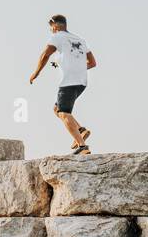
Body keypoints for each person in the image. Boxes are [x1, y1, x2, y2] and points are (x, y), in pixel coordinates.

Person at [29, 14, 97, 153]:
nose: (51, 31)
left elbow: (45, 55)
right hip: (82, 82)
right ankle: (80, 130)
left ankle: (82, 146)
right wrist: (76, 68)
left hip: (69, 82)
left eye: (51, 28)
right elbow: (92, 63)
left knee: (63, 112)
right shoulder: (80, 40)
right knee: (57, 109)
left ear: (54, 25)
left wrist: (36, 73)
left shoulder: (57, 36)